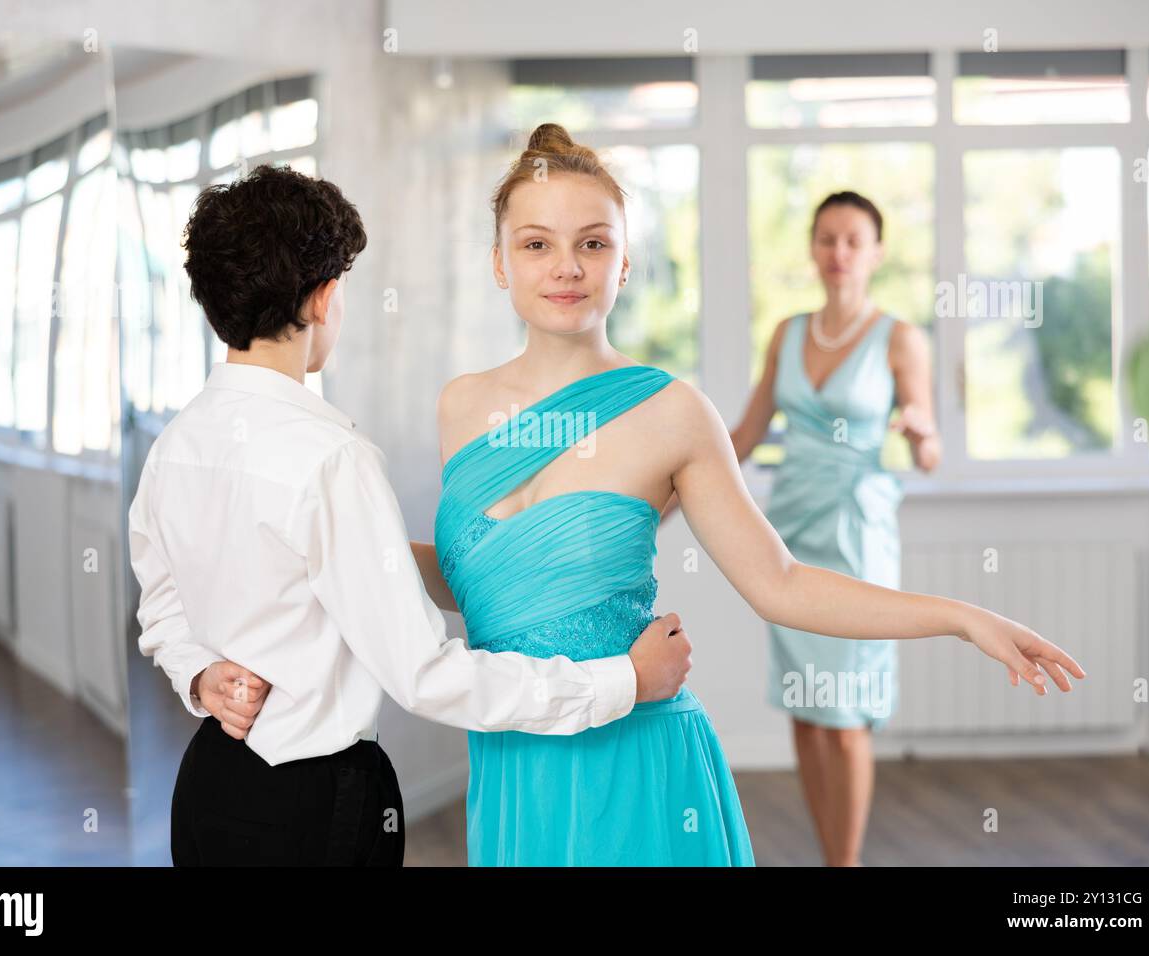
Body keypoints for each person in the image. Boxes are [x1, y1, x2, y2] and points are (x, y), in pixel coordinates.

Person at [431, 123, 1085, 866]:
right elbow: (468, 573)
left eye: (593, 243)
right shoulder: (460, 407)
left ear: (624, 263)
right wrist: (344, 560)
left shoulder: (672, 412)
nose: (566, 267)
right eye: (536, 243)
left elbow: (781, 584)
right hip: (512, 761)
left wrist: (962, 617)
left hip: (638, 763)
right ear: (498, 262)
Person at [128, 164, 693, 867]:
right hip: (320, 804)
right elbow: (424, 674)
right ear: (326, 298)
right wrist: (625, 682)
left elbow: (161, 604)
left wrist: (197, 673)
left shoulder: (175, 446)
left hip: (211, 784)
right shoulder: (333, 458)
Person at [668, 190, 937, 864]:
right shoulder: (788, 333)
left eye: (853, 240)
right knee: (809, 714)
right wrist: (662, 489)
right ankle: (830, 856)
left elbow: (929, 452)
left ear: (876, 253)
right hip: (787, 542)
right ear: (814, 249)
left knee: (845, 723)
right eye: (827, 239)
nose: (838, 252)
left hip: (857, 539)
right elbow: (745, 435)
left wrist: (920, 432)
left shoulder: (900, 338)